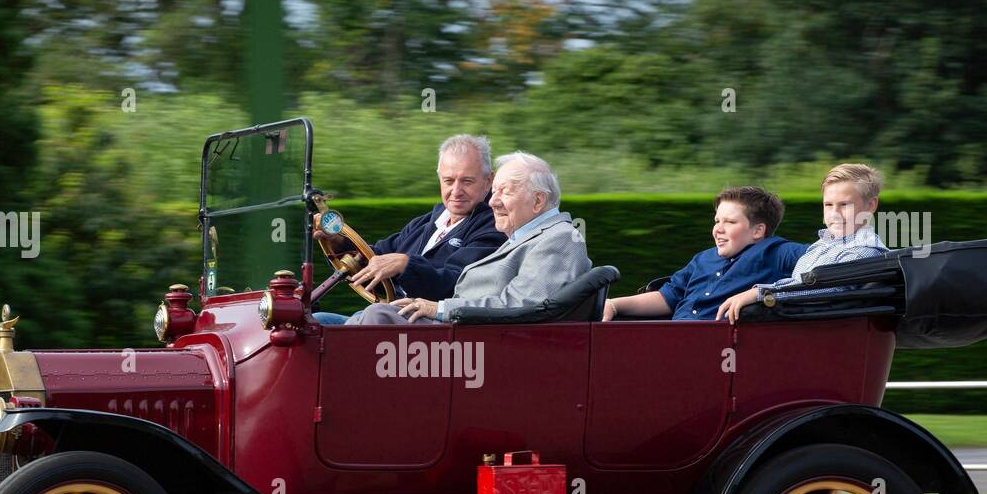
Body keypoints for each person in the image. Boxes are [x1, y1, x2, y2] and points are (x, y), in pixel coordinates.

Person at [347, 151, 590, 325]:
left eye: (504, 192)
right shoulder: (523, 236)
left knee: (376, 318)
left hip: (478, 342)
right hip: (467, 332)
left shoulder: (560, 238)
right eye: (495, 191)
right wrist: (342, 244)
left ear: (537, 201)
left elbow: (523, 306)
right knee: (350, 321)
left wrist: (438, 308)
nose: (493, 201)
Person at [312, 134, 506, 324]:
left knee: (375, 314)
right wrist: (339, 244)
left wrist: (406, 265)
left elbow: (460, 286)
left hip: (437, 330)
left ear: (489, 181)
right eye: (449, 181)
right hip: (391, 316)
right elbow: (374, 258)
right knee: (315, 321)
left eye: (467, 181)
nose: (456, 191)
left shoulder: (494, 226)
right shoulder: (426, 223)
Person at [715, 164, 889, 322]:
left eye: (844, 205)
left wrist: (760, 293)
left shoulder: (864, 252)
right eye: (828, 205)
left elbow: (822, 290)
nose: (834, 213)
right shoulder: (821, 246)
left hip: (823, 338)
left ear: (871, 205)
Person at [603, 186, 806, 321]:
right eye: (717, 221)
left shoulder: (777, 252)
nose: (718, 229)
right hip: (670, 338)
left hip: (716, 349)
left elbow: (828, 260)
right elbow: (668, 297)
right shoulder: (703, 259)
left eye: (730, 222)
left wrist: (762, 291)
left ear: (758, 231)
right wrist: (613, 305)